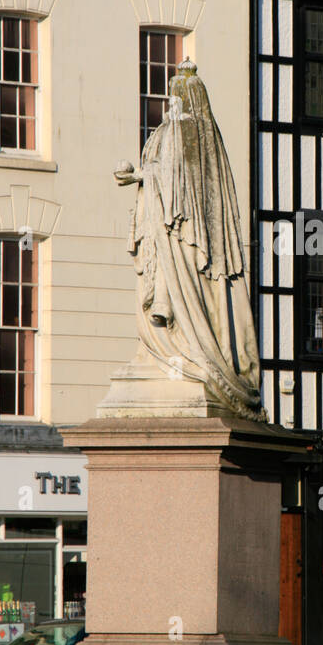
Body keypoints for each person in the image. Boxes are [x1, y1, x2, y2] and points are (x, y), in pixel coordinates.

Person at [114, 61, 265, 420]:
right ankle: (164, 346)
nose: (173, 100)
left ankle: (187, 346)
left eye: (180, 93)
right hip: (160, 231)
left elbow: (187, 192)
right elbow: (165, 176)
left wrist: (142, 176)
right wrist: (139, 177)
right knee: (157, 294)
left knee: (178, 290)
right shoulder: (166, 133)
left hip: (180, 240)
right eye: (173, 93)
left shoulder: (194, 136)